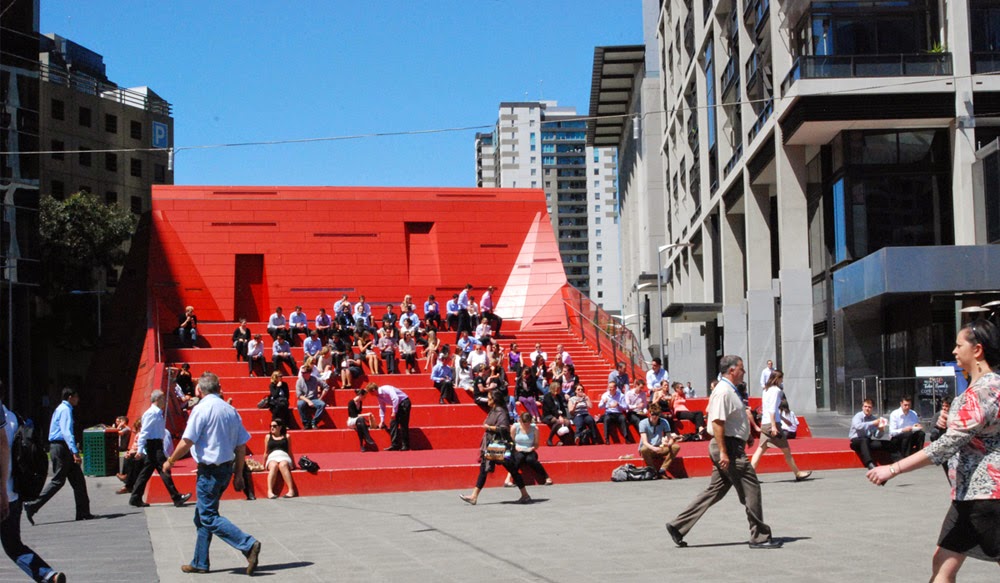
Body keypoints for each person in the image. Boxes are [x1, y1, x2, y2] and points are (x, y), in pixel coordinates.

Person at [866, 319, 1000, 580]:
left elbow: (945, 446)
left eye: (959, 345)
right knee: (942, 564)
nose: (954, 351)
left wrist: (893, 469)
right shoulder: (988, 387)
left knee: (943, 567)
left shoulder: (981, 392)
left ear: (977, 350)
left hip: (987, 495)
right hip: (970, 494)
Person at [665, 355, 780, 549]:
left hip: (730, 444)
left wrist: (746, 435)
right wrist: (725, 452)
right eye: (741, 368)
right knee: (751, 488)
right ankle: (759, 536)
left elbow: (732, 418)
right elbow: (718, 423)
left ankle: (678, 526)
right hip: (728, 448)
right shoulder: (723, 391)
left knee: (715, 490)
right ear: (732, 370)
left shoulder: (730, 390)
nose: (744, 372)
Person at [163, 372, 261, 575]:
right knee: (201, 516)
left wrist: (170, 461)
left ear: (199, 390)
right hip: (225, 468)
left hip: (209, 471)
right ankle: (200, 562)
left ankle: (248, 544)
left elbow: (187, 440)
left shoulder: (201, 409)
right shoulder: (230, 410)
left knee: (207, 516)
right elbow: (241, 446)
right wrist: (239, 474)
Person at [1, 389, 68, 583]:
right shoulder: (14, 418)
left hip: (3, 491)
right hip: (14, 491)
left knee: (12, 545)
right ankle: (49, 575)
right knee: (13, 545)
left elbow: (3, 448)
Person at [24, 387, 93, 525]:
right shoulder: (65, 410)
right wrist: (74, 451)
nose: (78, 399)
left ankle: (83, 512)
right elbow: (67, 432)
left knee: (78, 480)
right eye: (76, 396)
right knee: (58, 481)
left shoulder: (61, 408)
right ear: (70, 397)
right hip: (62, 447)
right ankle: (33, 505)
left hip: (61, 447)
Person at [459, 390, 532, 505]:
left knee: (512, 470)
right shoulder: (493, 411)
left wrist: (489, 427)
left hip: (499, 445)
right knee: (485, 469)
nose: (487, 400)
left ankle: (525, 495)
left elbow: (503, 428)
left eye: (489, 398)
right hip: (492, 445)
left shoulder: (501, 412)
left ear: (495, 400)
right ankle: (474, 496)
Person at [129, 390, 192, 508]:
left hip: (156, 444)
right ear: (157, 399)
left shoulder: (157, 413)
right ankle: (176, 497)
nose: (165, 401)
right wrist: (140, 450)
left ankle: (135, 497)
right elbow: (144, 432)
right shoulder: (151, 413)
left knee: (146, 472)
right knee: (164, 469)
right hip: (153, 445)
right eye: (163, 398)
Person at [748, 371, 812, 481]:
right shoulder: (776, 391)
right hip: (773, 424)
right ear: (777, 379)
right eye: (781, 378)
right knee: (786, 450)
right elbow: (772, 409)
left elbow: (767, 408)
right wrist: (774, 426)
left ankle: (750, 476)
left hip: (765, 423)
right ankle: (797, 473)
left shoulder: (766, 390)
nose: (782, 381)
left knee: (760, 449)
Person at [638, 402, 681, 479]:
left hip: (659, 447)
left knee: (676, 447)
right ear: (649, 413)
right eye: (653, 414)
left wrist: (669, 443)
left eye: (657, 414)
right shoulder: (643, 423)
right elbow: (644, 442)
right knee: (644, 449)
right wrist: (653, 448)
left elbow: (669, 438)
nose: (655, 416)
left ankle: (662, 469)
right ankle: (653, 471)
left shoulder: (664, 422)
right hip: (648, 448)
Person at [510, 412, 552, 486]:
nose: (526, 426)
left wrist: (532, 448)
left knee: (530, 460)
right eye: (524, 424)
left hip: (529, 450)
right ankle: (512, 478)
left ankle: (546, 477)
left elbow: (536, 444)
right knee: (519, 457)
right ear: (521, 421)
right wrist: (516, 447)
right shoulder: (515, 427)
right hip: (517, 449)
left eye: (528, 423)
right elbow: (511, 442)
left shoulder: (534, 428)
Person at [849, 398, 889, 469]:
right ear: (862, 407)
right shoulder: (858, 416)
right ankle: (870, 463)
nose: (867, 409)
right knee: (864, 440)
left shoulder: (873, 418)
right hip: (856, 440)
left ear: (872, 408)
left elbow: (877, 435)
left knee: (886, 443)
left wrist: (880, 430)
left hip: (867, 440)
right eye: (865, 406)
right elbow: (858, 426)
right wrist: (873, 423)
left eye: (869, 407)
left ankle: (896, 460)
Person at [372, 383, 411, 451]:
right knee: (393, 423)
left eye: (371, 393)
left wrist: (394, 412)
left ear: (373, 390)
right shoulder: (379, 396)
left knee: (403, 423)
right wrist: (382, 420)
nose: (371, 395)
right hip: (398, 405)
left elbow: (395, 398)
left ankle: (405, 445)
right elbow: (382, 407)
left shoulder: (386, 389)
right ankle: (394, 444)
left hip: (404, 402)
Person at [264, 419, 297, 499]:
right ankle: (270, 491)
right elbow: (266, 452)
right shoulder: (268, 437)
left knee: (283, 465)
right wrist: (263, 464)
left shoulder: (287, 436)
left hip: (284, 456)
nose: (272, 428)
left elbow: (289, 451)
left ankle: (291, 490)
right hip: (272, 457)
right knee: (274, 466)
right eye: (271, 426)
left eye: (274, 426)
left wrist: (293, 463)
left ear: (280, 427)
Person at [348, 387, 378, 452]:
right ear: (360, 395)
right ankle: (368, 437)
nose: (365, 398)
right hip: (351, 421)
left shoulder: (360, 403)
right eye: (364, 397)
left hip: (358, 421)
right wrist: (366, 414)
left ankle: (361, 445)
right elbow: (354, 415)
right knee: (360, 419)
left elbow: (359, 414)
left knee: (359, 424)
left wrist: (366, 419)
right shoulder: (351, 403)